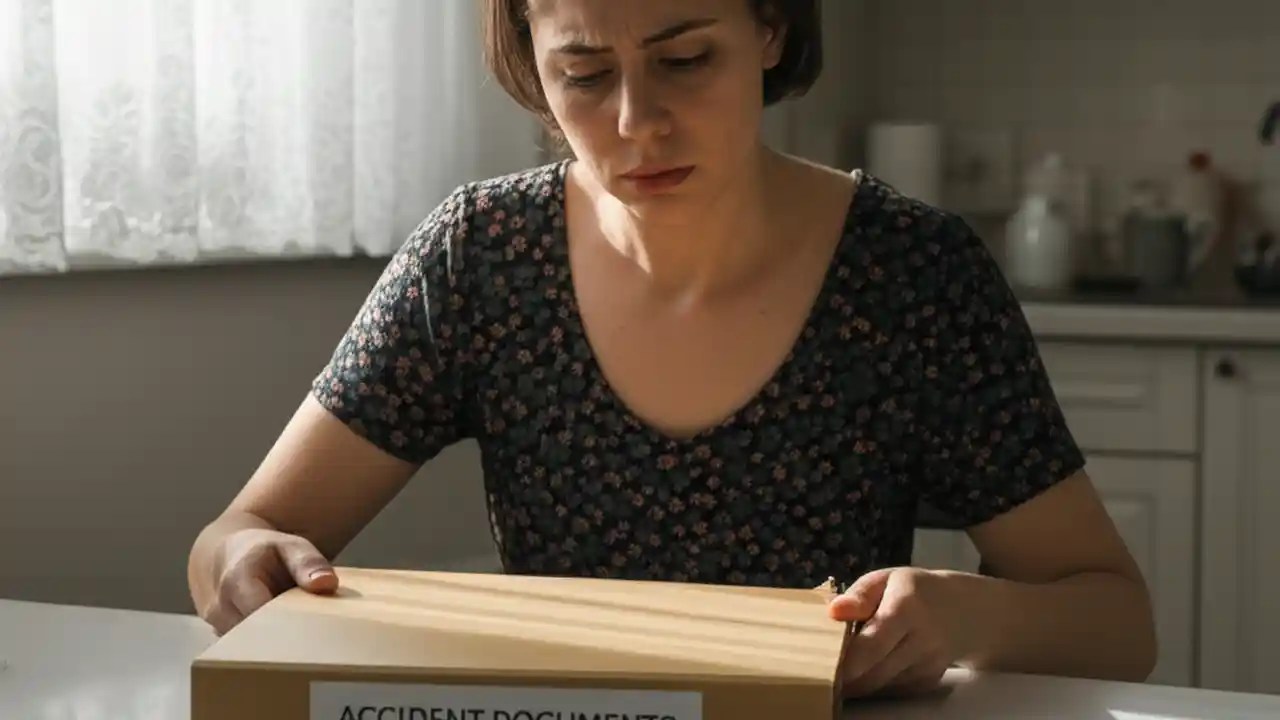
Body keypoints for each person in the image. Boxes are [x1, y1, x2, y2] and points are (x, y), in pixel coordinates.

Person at [187, 0, 1157, 699]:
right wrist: (245, 562)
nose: (633, 123)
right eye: (582, 73)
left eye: (684, 59)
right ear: (531, 53)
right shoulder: (478, 255)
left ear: (768, 29)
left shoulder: (914, 273)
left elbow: (1117, 622)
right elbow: (233, 538)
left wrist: (964, 619)